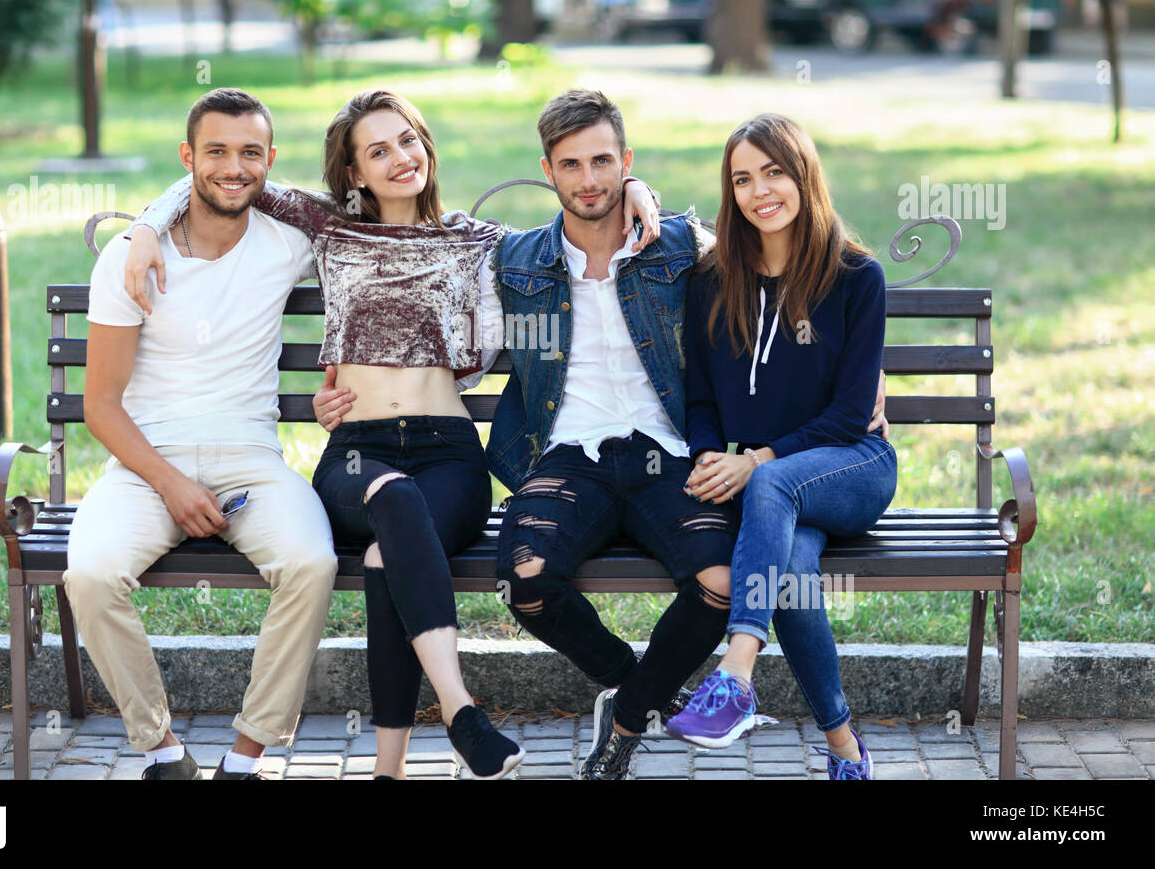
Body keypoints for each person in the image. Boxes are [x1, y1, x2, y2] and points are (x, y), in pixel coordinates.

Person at [319, 89, 887, 781]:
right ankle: (640, 687)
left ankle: (623, 722)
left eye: (603, 161)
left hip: (666, 456)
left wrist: (866, 383)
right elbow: (448, 335)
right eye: (571, 164)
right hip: (566, 458)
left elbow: (775, 265)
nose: (589, 180)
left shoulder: (679, 245)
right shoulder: (515, 260)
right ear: (547, 170)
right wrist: (350, 380)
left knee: (719, 580)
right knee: (524, 581)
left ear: (626, 162)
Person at [123, 89, 662, 779]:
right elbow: (230, 177)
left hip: (451, 460)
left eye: (408, 139)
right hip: (358, 454)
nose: (400, 157)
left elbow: (582, 211)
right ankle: (460, 708)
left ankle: (389, 771)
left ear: (427, 145)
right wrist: (145, 226)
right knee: (394, 503)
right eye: (378, 150)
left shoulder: (477, 239)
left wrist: (637, 185)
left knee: (386, 558)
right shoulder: (328, 227)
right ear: (353, 173)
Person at [64, 87, 338, 780]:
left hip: (251, 458)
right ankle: (161, 750)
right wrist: (171, 484)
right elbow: (100, 404)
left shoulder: (290, 240)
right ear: (187, 157)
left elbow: (379, 215)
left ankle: (248, 755)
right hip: (144, 465)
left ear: (271, 162)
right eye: (215, 151)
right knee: (90, 574)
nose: (233, 167)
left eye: (251, 153)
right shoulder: (130, 258)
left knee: (311, 562)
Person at [665, 113, 897, 781]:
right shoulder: (713, 280)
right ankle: (846, 745)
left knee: (772, 483)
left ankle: (735, 675)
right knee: (791, 574)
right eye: (743, 178)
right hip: (769, 486)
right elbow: (701, 395)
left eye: (774, 171)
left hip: (854, 465)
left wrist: (755, 461)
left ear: (803, 175)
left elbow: (854, 412)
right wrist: (713, 454)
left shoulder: (856, 275)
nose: (760, 190)